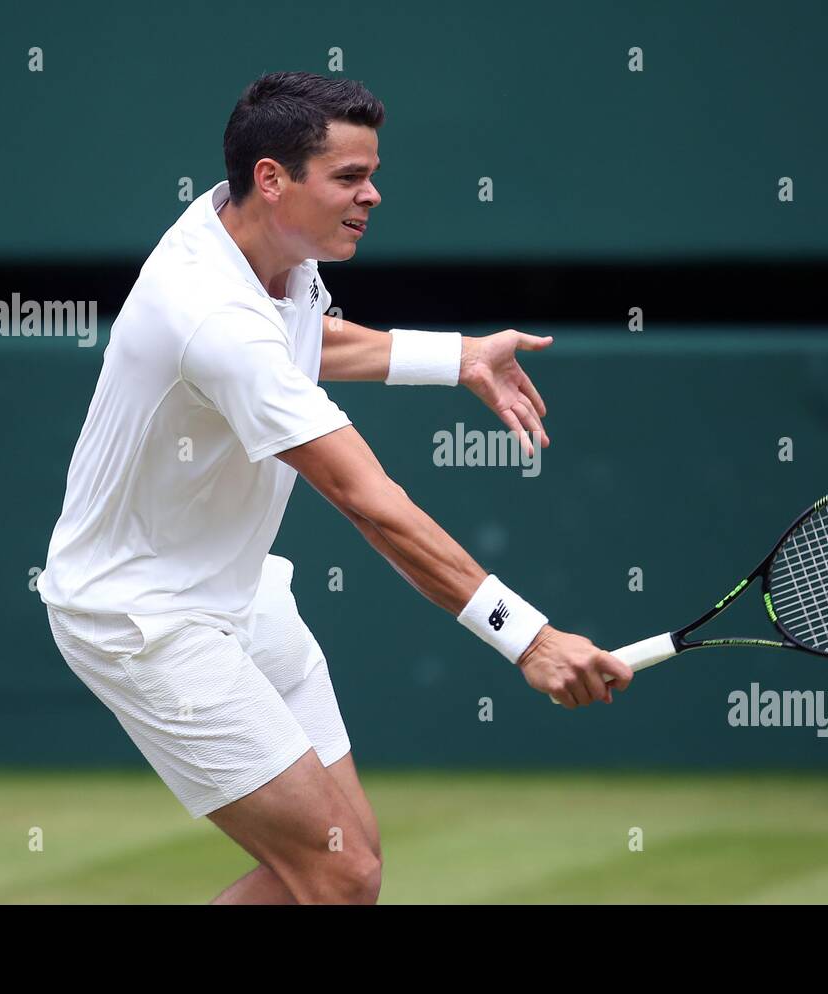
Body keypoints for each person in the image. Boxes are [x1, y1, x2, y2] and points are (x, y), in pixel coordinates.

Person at [38, 71, 632, 905]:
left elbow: (307, 339)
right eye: (350, 178)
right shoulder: (213, 317)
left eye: (372, 172)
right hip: (144, 617)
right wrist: (528, 639)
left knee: (342, 870)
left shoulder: (257, 243)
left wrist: (456, 356)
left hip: (241, 593)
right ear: (274, 178)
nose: (373, 194)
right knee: (338, 868)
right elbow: (368, 500)